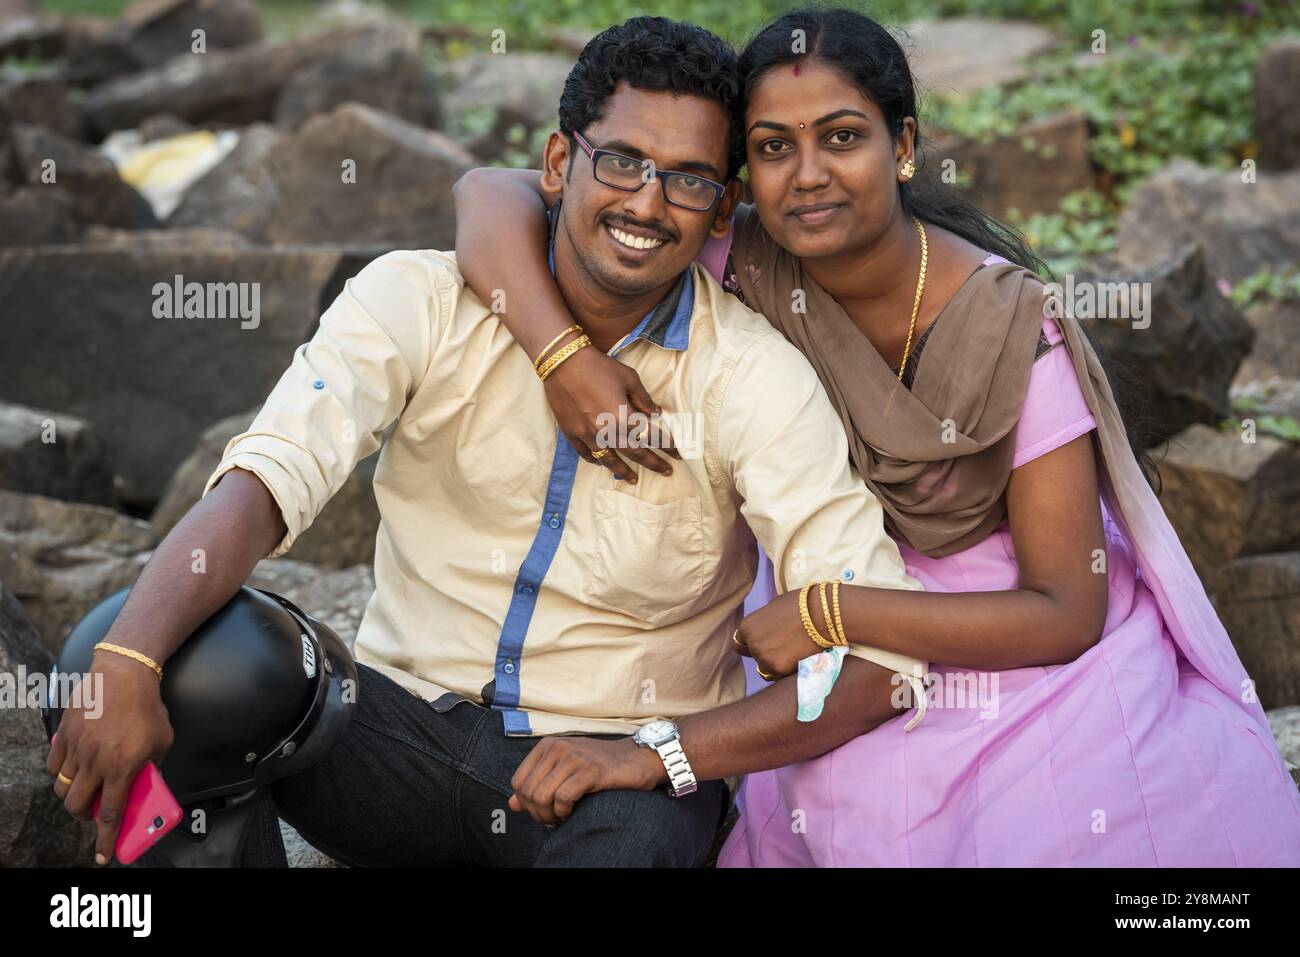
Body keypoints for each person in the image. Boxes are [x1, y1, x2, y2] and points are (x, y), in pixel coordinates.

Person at [46, 17, 935, 869]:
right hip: (391, 739)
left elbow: (880, 662)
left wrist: (657, 753)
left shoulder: (752, 378)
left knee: (633, 845)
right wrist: (132, 658)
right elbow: (269, 476)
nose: (648, 202)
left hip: (605, 782)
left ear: (721, 205)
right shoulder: (421, 298)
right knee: (153, 660)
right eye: (621, 161)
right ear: (558, 162)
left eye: (689, 179)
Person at [451, 7, 1300, 865]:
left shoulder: (1011, 328)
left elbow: (1066, 609)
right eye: (775, 147)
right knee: (848, 797)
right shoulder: (738, 255)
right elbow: (490, 189)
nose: (809, 175)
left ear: (902, 147)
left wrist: (828, 612)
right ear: (741, 181)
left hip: (1007, 640)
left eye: (842, 137)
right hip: (844, 613)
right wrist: (562, 358)